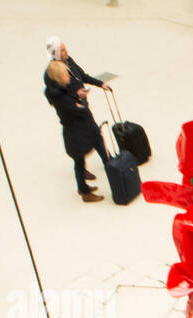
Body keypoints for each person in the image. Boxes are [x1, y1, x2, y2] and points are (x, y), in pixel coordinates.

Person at [43, 37, 111, 202]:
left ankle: (109, 165)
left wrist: (99, 83)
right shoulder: (53, 80)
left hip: (83, 114)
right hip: (76, 121)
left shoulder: (68, 63)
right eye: (63, 51)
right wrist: (78, 100)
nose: (67, 53)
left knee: (95, 139)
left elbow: (81, 76)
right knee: (82, 154)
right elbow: (66, 104)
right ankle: (86, 187)